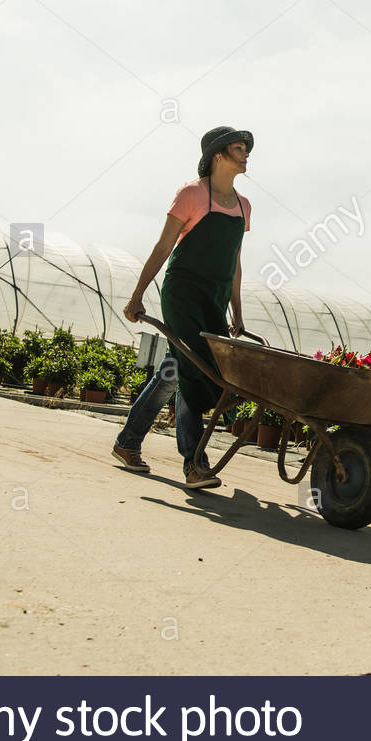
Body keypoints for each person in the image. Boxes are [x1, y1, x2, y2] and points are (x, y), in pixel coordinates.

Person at [111, 126, 253, 488]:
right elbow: (163, 247)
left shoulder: (243, 205)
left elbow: (234, 263)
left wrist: (236, 312)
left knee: (174, 371)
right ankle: (194, 463)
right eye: (239, 148)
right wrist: (137, 294)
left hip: (214, 299)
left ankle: (127, 442)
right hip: (183, 293)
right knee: (195, 370)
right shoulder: (191, 194)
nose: (246, 154)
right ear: (218, 155)